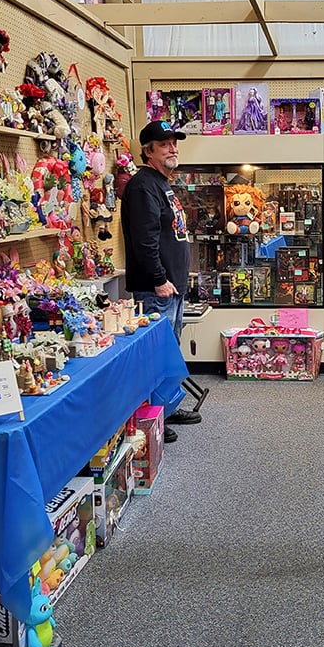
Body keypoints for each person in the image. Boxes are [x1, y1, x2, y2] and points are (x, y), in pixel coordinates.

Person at [121, 119, 201, 442]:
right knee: (154, 356)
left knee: (169, 352)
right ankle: (153, 418)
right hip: (157, 289)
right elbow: (145, 240)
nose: (172, 147)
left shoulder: (162, 183)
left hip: (172, 288)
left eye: (174, 142)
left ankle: (166, 408)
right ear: (147, 150)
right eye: (164, 143)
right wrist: (158, 278)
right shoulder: (142, 187)